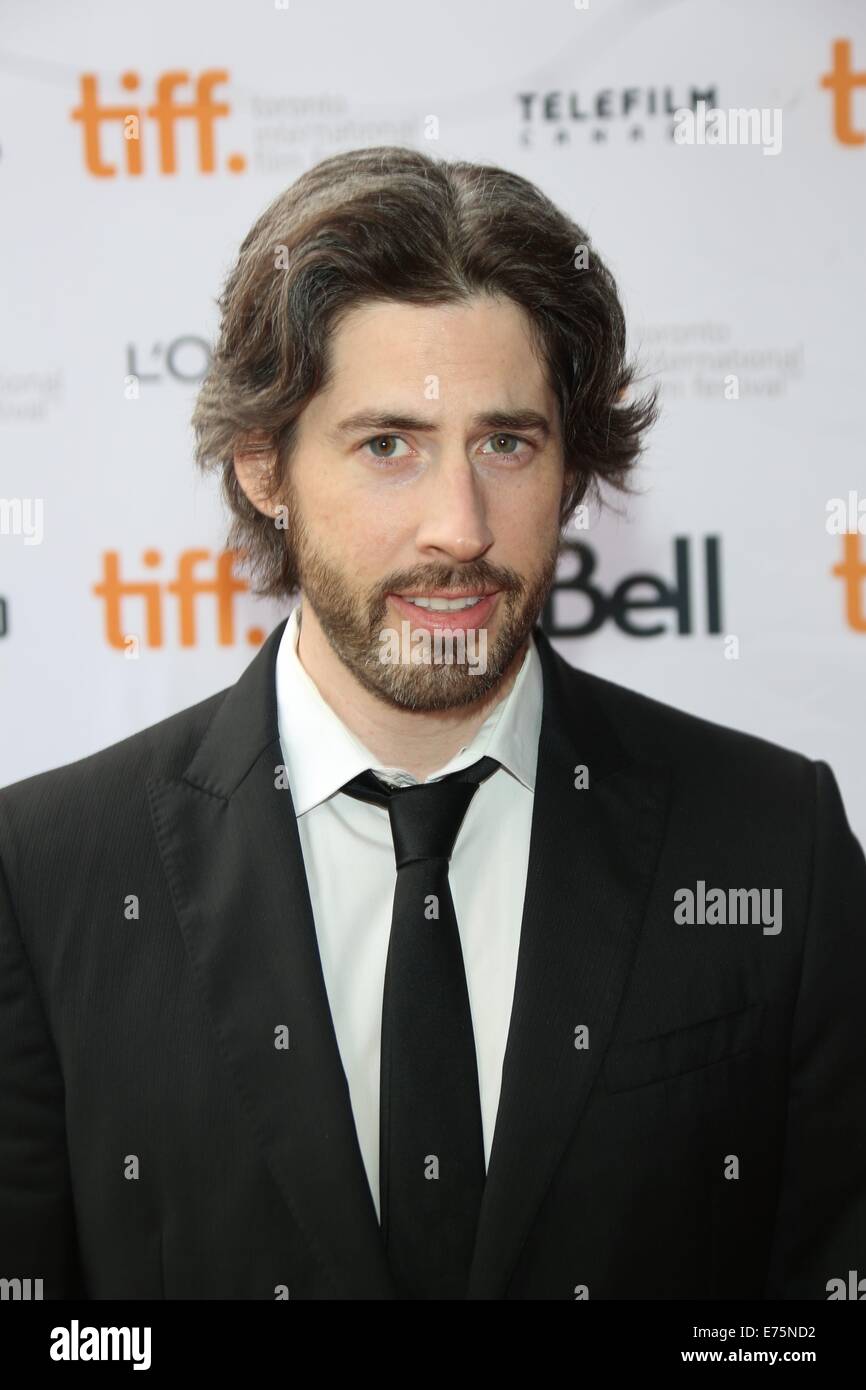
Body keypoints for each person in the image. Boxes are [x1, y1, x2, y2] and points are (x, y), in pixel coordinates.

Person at [1, 146, 864, 1301]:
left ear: (568, 468)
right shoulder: (51, 868)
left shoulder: (771, 845)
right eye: (387, 446)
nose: (459, 526)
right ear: (265, 465)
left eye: (505, 444)